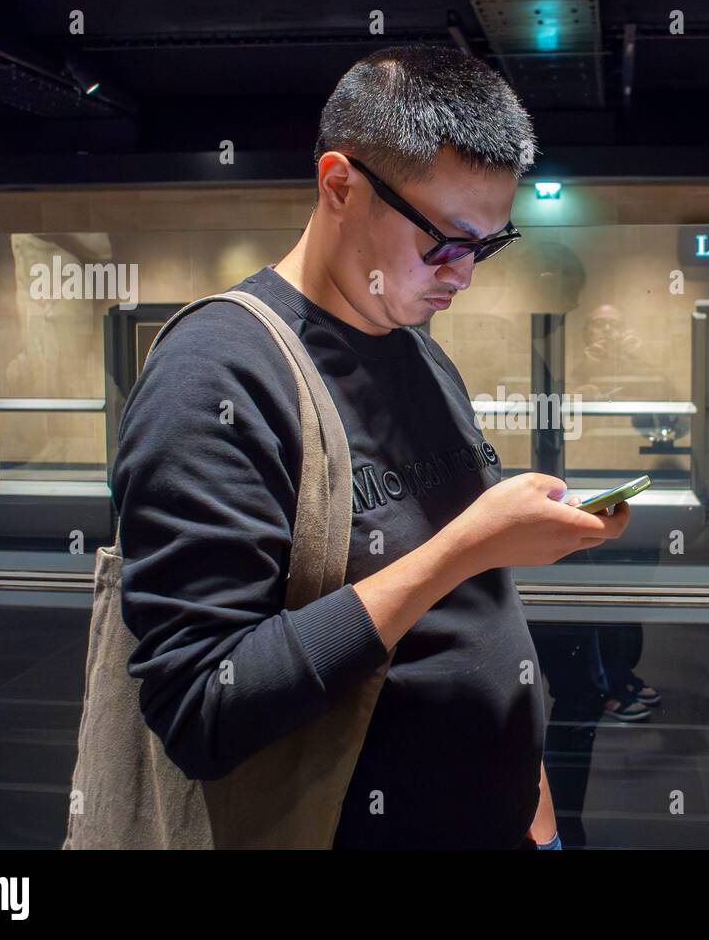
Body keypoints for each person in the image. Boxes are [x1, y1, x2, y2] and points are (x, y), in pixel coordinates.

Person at [112, 44, 630, 849]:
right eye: (446, 241)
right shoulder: (216, 372)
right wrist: (465, 548)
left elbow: (468, 614)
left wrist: (533, 800)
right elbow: (202, 707)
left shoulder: (417, 345)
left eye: (488, 245)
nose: (465, 276)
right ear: (340, 186)